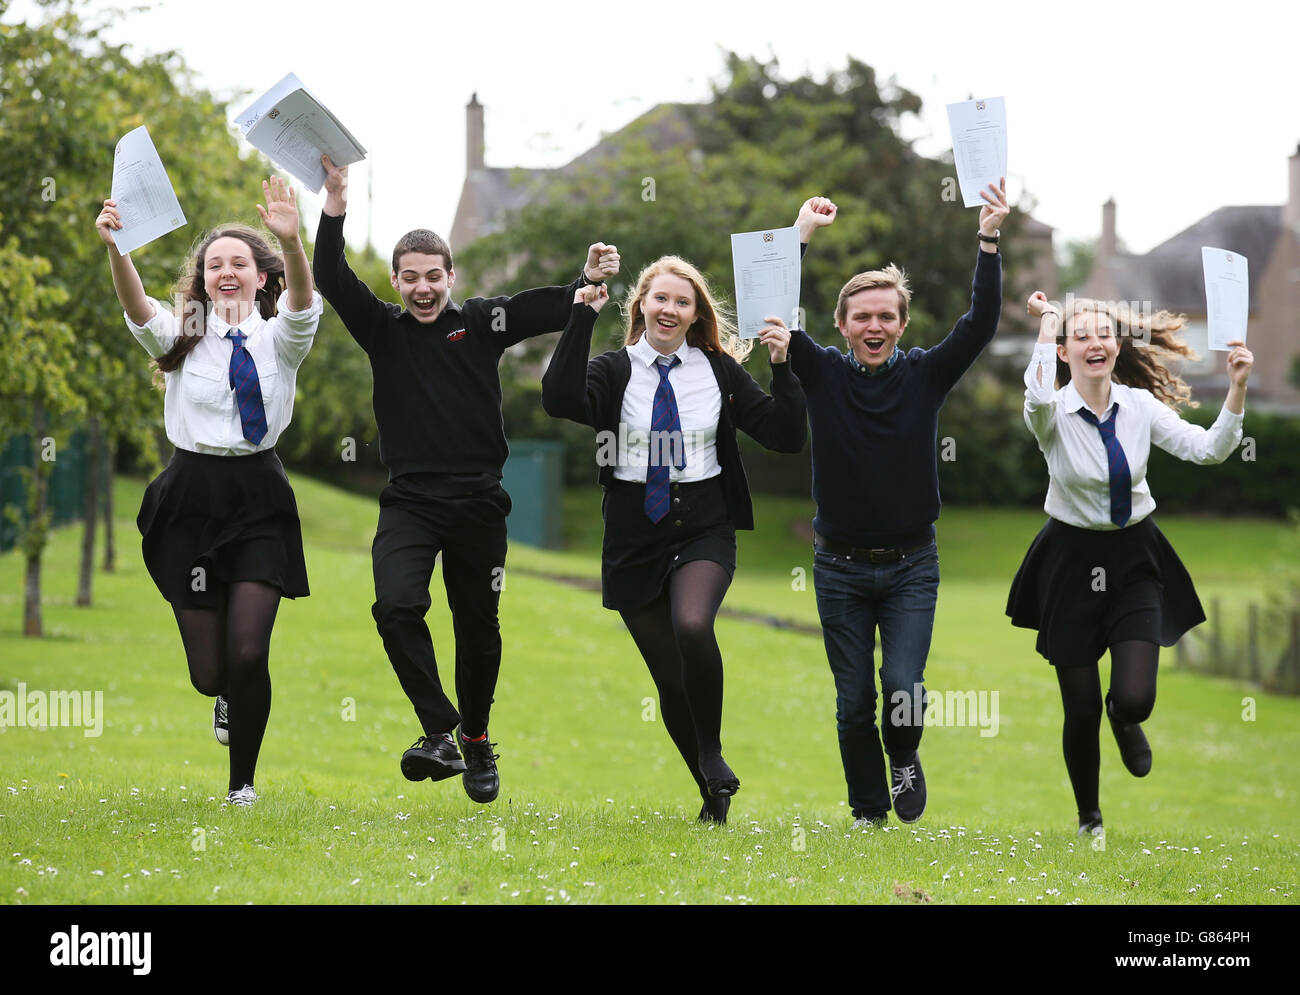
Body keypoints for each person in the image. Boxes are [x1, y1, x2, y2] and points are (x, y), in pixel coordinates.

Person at [313, 156, 618, 804]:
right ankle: (440, 730)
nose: (423, 289)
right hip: (410, 503)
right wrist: (334, 205)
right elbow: (331, 277)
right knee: (396, 607)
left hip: (479, 502)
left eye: (434, 277)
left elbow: (542, 308)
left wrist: (585, 281)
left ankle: (476, 739)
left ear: (451, 276)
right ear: (394, 281)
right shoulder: (383, 331)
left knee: (478, 628)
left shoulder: (478, 321)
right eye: (410, 279)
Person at [541, 258, 806, 824]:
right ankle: (711, 789)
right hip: (634, 533)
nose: (670, 309)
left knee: (691, 624)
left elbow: (785, 435)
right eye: (660, 299)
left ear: (695, 314)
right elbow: (559, 398)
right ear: (640, 306)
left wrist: (784, 367)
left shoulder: (716, 370)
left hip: (702, 521)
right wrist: (580, 319)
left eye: (682, 302)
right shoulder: (615, 371)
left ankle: (712, 752)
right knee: (668, 676)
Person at [96, 177, 322, 807]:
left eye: (239, 263)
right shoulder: (181, 335)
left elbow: (303, 302)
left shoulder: (283, 338)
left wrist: (293, 240)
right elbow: (137, 303)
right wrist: (118, 247)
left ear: (259, 276)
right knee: (212, 673)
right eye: (214, 263)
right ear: (202, 279)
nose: (226, 272)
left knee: (250, 652)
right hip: (190, 501)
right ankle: (222, 697)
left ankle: (241, 785)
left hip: (259, 502)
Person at [790, 184, 1009, 827]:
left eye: (886, 316)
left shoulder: (924, 375)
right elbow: (771, 309)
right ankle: (867, 813)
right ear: (841, 325)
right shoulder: (821, 373)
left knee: (904, 691)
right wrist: (799, 235)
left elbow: (981, 324)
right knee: (854, 699)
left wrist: (988, 240)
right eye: (862, 317)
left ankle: (904, 755)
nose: (875, 326)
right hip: (839, 567)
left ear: (903, 324)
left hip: (914, 565)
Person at [1008, 292, 1252, 836]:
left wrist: (1236, 388)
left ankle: (1125, 718)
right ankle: (1089, 819)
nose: (1096, 342)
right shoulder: (1050, 414)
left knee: (1135, 698)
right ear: (1067, 351)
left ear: (1117, 346)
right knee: (1080, 707)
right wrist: (1048, 324)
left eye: (1104, 334)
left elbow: (1207, 450)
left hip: (1135, 555)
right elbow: (1035, 392)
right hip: (1069, 558)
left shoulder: (1139, 407)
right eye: (1082, 336)